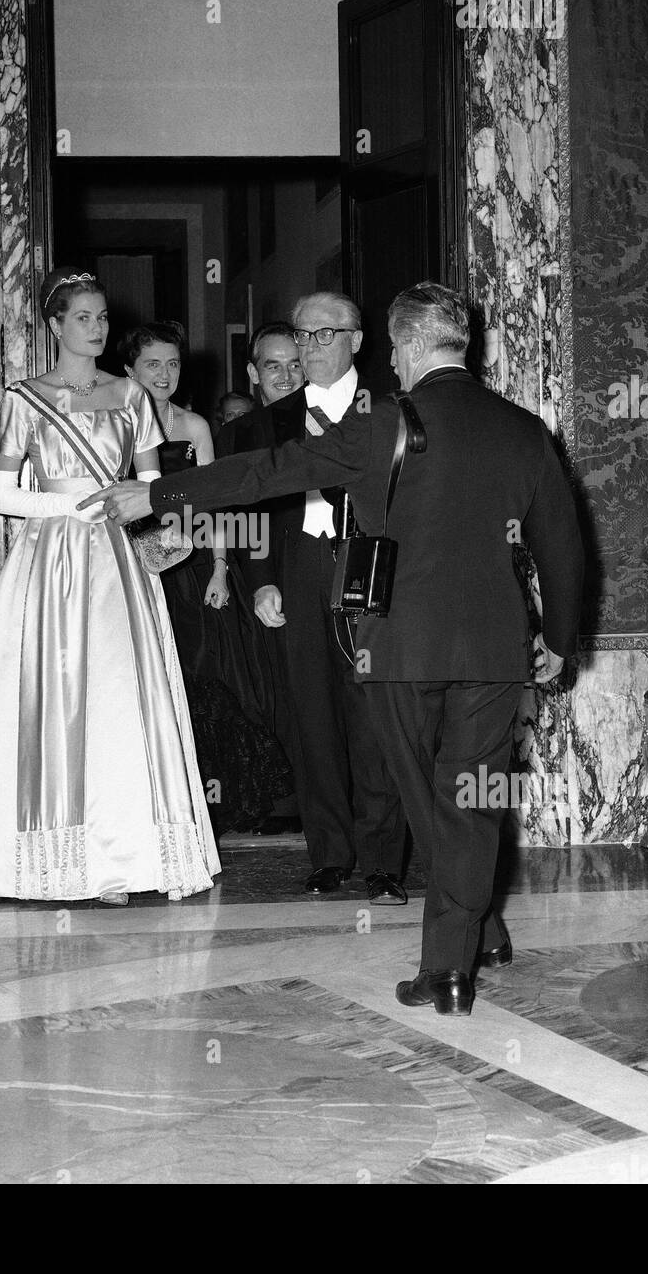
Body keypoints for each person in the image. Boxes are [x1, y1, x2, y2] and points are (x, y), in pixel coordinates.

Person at [84, 280, 584, 1015]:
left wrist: (161, 496)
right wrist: (559, 641)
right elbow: (565, 552)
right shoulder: (524, 428)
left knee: (429, 800)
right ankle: (484, 927)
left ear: (409, 346)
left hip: (397, 649)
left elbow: (270, 471)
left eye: (392, 346)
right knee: (472, 803)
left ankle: (448, 967)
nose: (393, 358)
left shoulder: (385, 422)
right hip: (496, 649)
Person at [0, 268, 220, 907]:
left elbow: (153, 484)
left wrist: (164, 524)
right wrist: (69, 508)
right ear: (56, 325)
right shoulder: (22, 399)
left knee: (121, 699)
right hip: (50, 559)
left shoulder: (130, 397)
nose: (96, 329)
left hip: (116, 562)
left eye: (102, 318)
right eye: (84, 318)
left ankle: (121, 860)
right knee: (53, 697)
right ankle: (53, 862)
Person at [216, 298, 407, 905]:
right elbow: (252, 502)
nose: (313, 344)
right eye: (304, 333)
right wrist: (264, 575)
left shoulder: (391, 412)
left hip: (371, 570)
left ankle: (382, 859)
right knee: (312, 717)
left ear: (357, 340)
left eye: (327, 333)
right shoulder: (271, 421)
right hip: (298, 568)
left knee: (375, 719)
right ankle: (329, 853)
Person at [121, 321, 292, 834]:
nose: (165, 374)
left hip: (193, 569)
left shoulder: (195, 426)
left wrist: (220, 566)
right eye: (153, 364)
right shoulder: (114, 424)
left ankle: (209, 805)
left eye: (173, 363)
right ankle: (155, 808)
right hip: (134, 566)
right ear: (130, 371)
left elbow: (215, 501)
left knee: (207, 679)